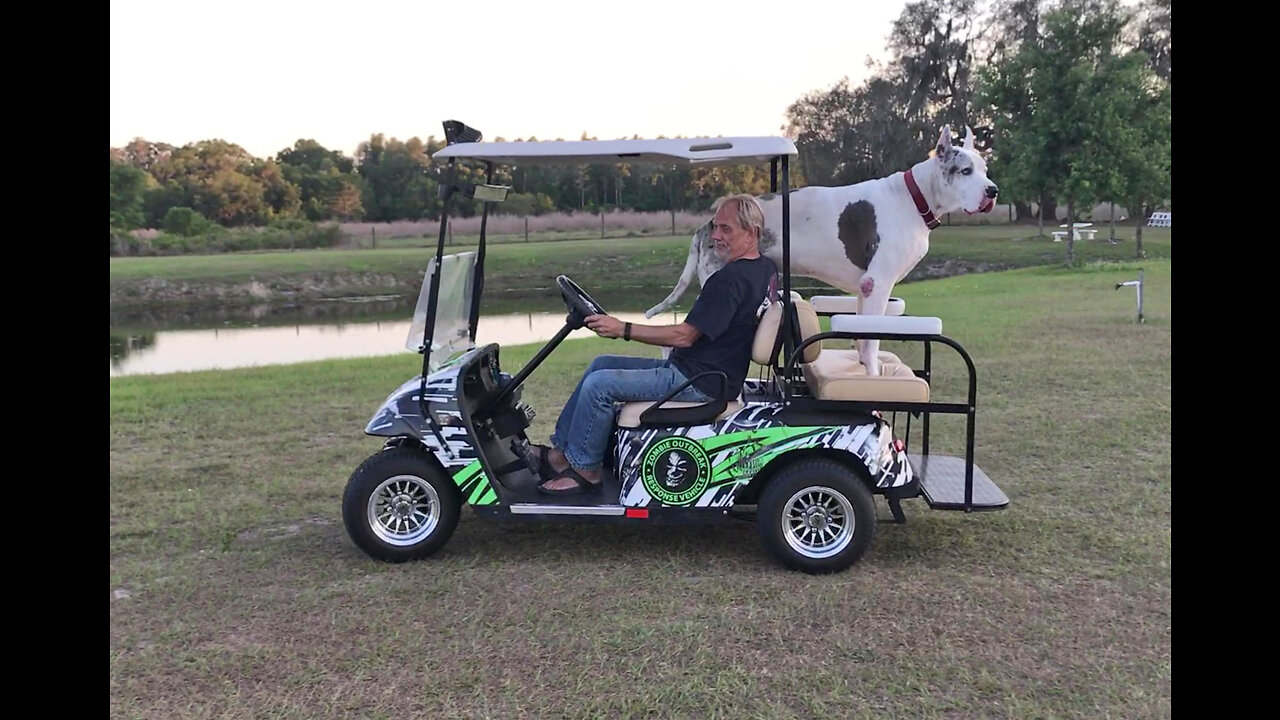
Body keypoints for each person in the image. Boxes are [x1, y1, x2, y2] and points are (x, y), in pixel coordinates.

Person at [528, 194, 780, 495]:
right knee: (601, 364)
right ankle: (560, 456)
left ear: (751, 233)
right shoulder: (764, 269)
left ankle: (586, 470)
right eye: (715, 228)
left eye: (726, 229)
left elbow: (684, 336)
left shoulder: (730, 280)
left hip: (701, 381)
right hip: (708, 372)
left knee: (600, 384)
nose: (715, 237)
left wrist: (623, 329)